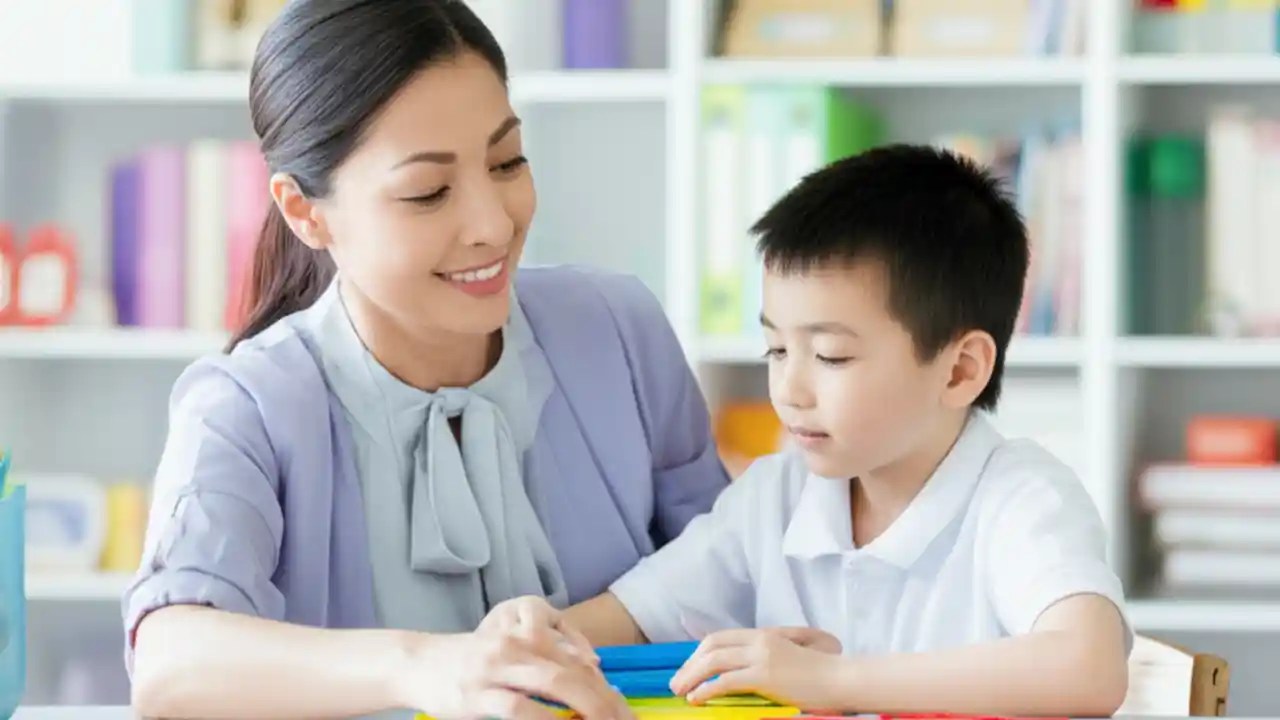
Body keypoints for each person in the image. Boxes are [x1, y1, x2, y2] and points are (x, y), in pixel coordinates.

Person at [121, 2, 729, 719]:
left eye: (508, 162)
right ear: (304, 212)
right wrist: (428, 666)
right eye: (427, 192)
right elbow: (168, 664)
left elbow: (732, 567)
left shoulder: (619, 331)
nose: (494, 224)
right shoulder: (247, 407)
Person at [567, 145, 1133, 717]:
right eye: (777, 349)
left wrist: (833, 681)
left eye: (831, 356)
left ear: (960, 370)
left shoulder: (1022, 497)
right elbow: (630, 619)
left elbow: (1088, 668)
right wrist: (524, 639)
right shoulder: (774, 495)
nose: (790, 388)